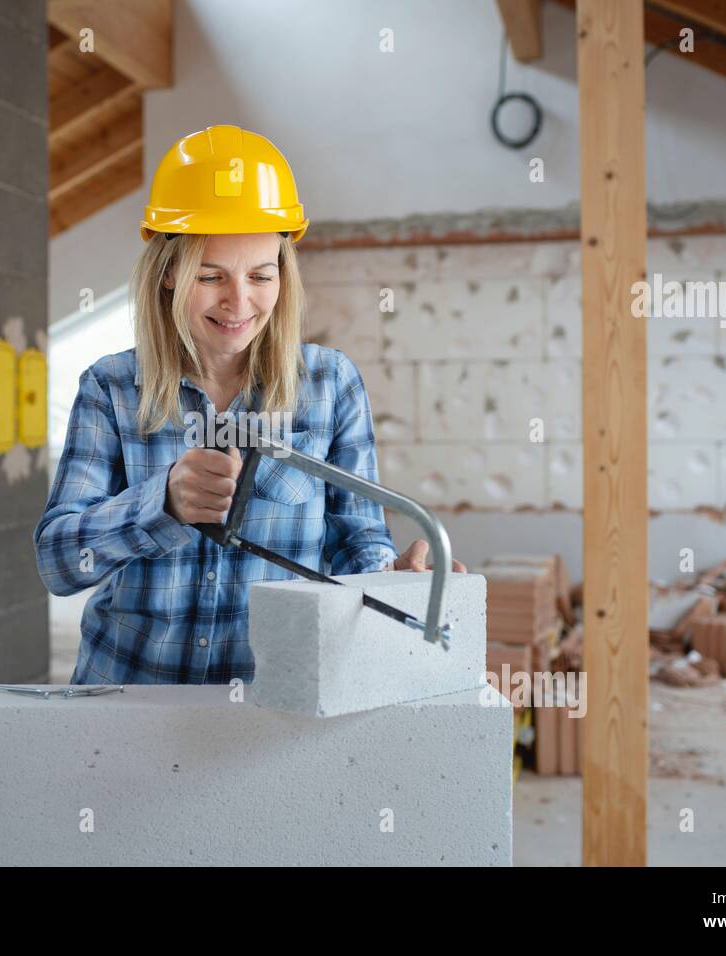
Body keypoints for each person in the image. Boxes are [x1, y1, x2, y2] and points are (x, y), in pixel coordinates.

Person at [34, 124, 465, 685]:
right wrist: (158, 502)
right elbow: (59, 564)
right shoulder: (110, 388)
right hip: (130, 692)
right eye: (211, 276)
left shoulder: (330, 384)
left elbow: (358, 539)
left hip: (277, 695)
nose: (239, 302)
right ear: (168, 274)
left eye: (262, 276)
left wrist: (392, 577)